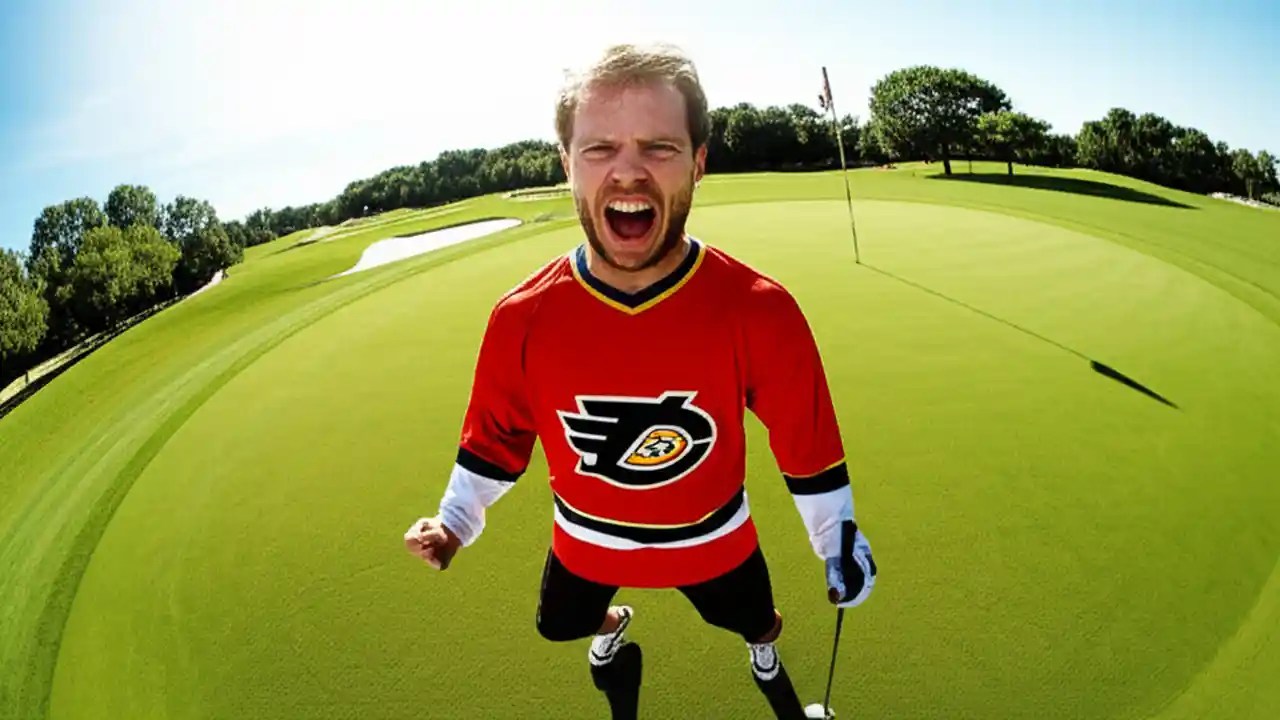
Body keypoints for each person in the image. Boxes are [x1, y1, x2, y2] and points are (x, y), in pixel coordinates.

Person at [403, 42, 877, 720]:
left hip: (716, 538)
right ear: (567, 164)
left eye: (659, 147)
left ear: (699, 162)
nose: (628, 172)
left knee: (756, 621)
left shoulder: (760, 308)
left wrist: (838, 543)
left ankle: (762, 653)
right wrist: (451, 524)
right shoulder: (520, 319)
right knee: (558, 625)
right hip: (584, 540)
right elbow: (496, 437)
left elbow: (806, 444)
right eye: (599, 149)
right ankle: (612, 626)